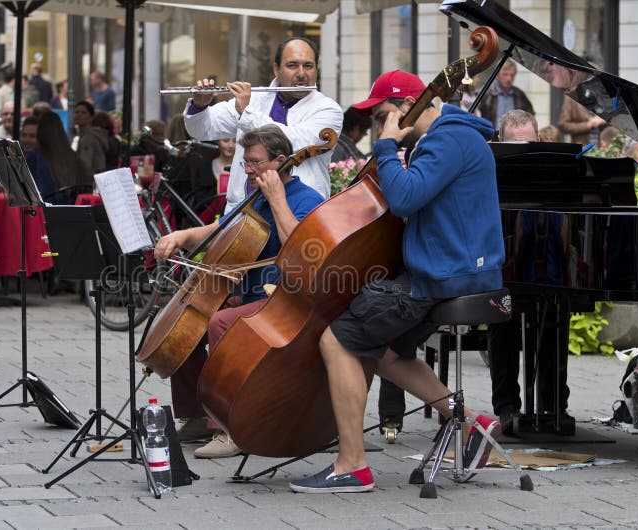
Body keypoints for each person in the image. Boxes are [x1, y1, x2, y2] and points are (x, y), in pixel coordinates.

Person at [289, 71, 503, 493]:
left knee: (338, 339)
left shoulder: (447, 139)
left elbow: (405, 197)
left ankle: (352, 464)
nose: (378, 124)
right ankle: (469, 424)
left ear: (407, 106)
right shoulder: (453, 136)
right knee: (385, 351)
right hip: (457, 270)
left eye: (383, 114)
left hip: (445, 276)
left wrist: (387, 146)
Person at [157, 125, 324, 457]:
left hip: (288, 302)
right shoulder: (255, 194)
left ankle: (232, 427)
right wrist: (182, 236)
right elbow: (222, 227)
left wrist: (277, 198)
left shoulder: (308, 199)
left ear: (279, 162)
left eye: (254, 162)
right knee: (191, 318)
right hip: (255, 296)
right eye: (245, 163)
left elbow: (301, 249)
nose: (247, 170)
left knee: (222, 323)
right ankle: (194, 415)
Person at [183, 37, 342, 212]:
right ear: (276, 69)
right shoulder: (254, 98)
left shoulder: (328, 109)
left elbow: (293, 141)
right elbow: (203, 130)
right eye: (292, 65)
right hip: (243, 211)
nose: (301, 73)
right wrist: (199, 105)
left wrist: (247, 112)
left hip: (296, 213)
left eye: (308, 66)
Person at [487, 109, 572, 435]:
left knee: (556, 315)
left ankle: (554, 405)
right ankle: (507, 407)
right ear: (500, 144)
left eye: (530, 144)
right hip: (503, 262)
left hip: (549, 264)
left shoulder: (555, 173)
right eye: (515, 146)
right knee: (502, 322)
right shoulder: (490, 172)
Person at [30, 111, 92, 203]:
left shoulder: (35, 157)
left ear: (39, 132)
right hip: (75, 211)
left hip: (47, 212)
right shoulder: (74, 157)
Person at [478, 59, 535, 134]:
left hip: (514, 138)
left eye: (512, 75)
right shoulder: (485, 93)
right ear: (497, 75)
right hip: (491, 137)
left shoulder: (519, 94)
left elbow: (530, 116)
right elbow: (476, 117)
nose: (509, 79)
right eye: (505, 74)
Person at [72, 100, 109, 175]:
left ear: (91, 117)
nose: (79, 115)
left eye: (83, 112)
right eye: (76, 112)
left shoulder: (89, 138)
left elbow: (85, 165)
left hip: (89, 182)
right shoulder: (88, 135)